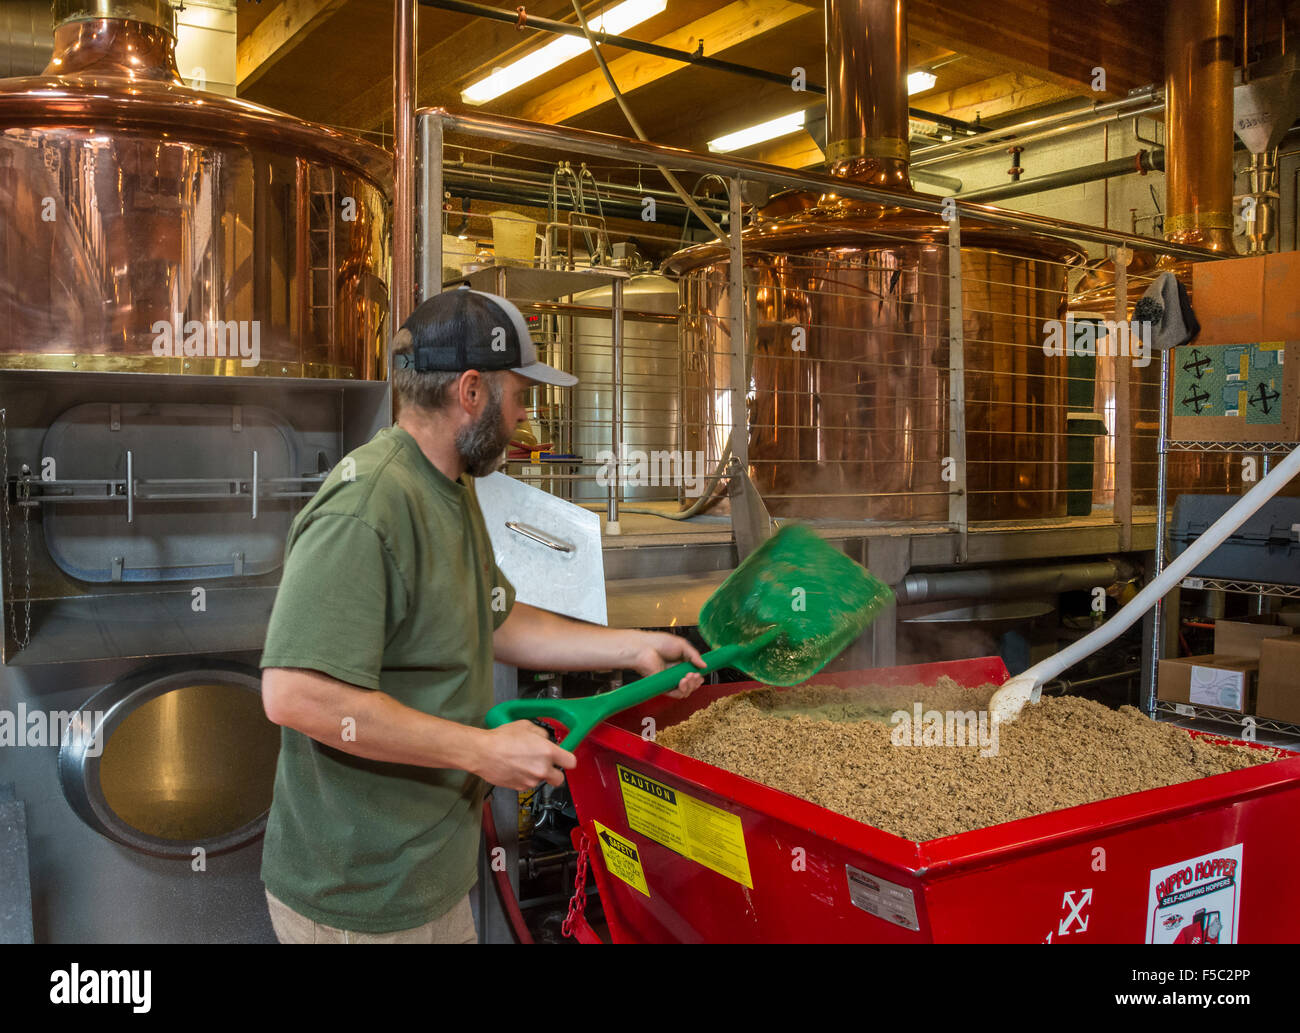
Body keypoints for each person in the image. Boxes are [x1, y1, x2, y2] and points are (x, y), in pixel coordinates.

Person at [258, 285, 705, 944]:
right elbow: (296, 694)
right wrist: (482, 751)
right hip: (359, 900)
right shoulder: (370, 505)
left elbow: (497, 619)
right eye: (519, 395)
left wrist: (629, 646)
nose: (525, 417)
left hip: (430, 878)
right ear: (471, 391)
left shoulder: (451, 488)